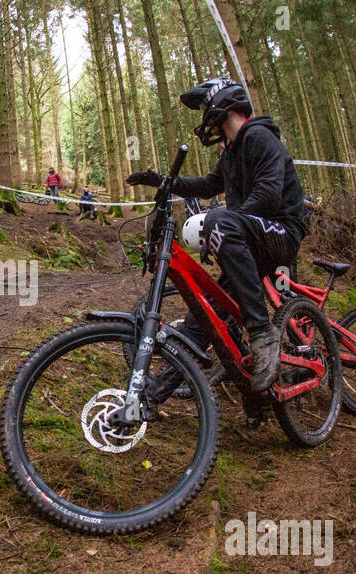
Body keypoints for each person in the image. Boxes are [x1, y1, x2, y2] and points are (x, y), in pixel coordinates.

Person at [128, 77, 308, 393]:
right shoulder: (231, 153)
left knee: (220, 220)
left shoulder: (260, 137)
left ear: (219, 103)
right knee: (206, 314)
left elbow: (268, 196)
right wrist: (162, 181)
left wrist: (224, 224)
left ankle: (263, 335)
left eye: (203, 108)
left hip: (281, 232)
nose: (203, 118)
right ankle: (158, 392)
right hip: (249, 238)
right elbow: (207, 185)